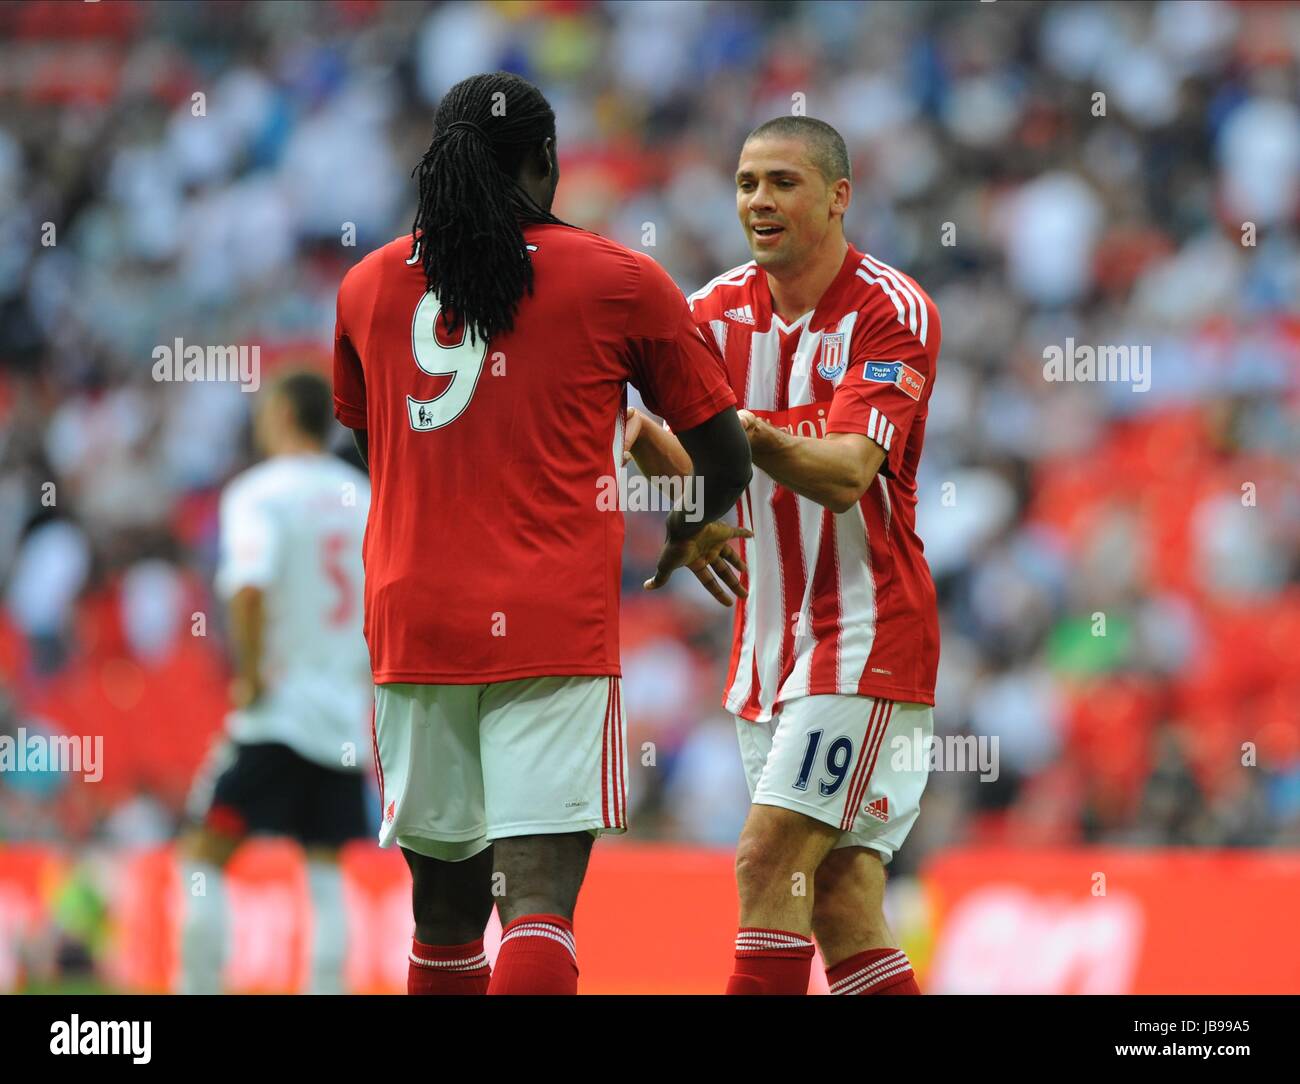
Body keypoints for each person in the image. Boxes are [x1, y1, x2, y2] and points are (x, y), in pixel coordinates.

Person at [332, 71, 752, 995]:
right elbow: (726, 452)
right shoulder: (618, 279)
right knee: (537, 903)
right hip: (549, 620)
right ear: (547, 160)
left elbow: (379, 451)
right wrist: (688, 524)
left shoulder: (365, 287)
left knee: (442, 919)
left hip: (413, 624)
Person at [628, 116, 940, 995]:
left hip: (864, 638)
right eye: (745, 182)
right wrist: (691, 495)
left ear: (839, 197)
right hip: (764, 648)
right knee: (838, 900)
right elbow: (654, 434)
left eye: (782, 182)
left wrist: (739, 436)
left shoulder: (891, 309)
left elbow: (845, 475)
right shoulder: (711, 312)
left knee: (767, 862)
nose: (758, 200)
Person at [179, 369, 373, 994]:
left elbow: (250, 585)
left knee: (204, 857)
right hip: (342, 715)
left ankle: (200, 987)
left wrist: (251, 675)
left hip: (278, 712)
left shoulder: (258, 494)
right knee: (325, 867)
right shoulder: (362, 497)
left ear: (285, 414)